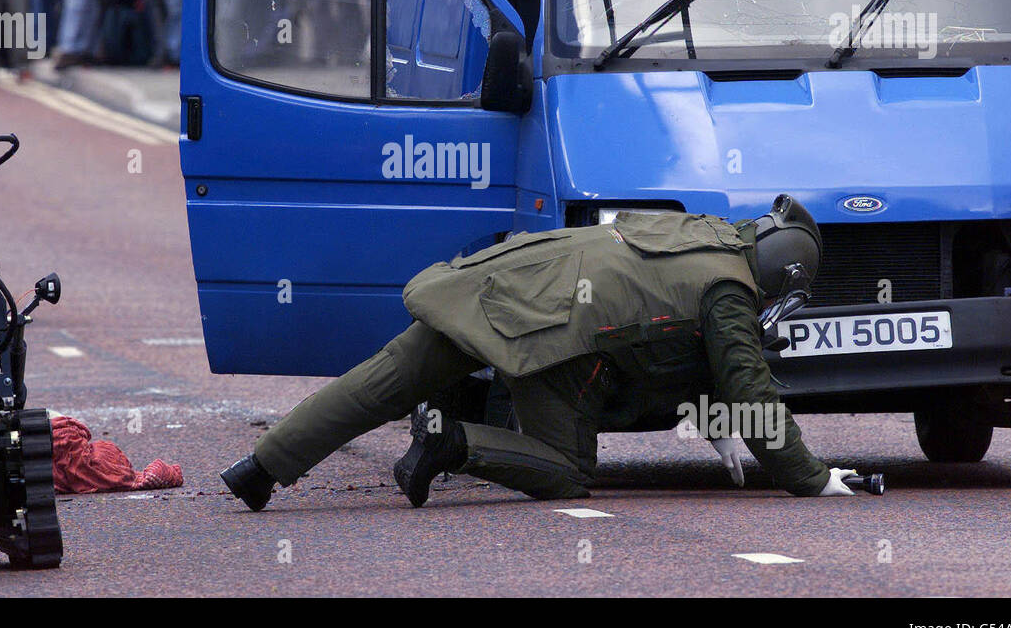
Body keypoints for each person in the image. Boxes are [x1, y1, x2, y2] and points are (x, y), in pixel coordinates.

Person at [222, 196, 864, 510]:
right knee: (565, 469)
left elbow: (674, 338)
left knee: (381, 379)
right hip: (545, 331)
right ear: (783, 275)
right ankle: (452, 443)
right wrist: (811, 479)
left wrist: (716, 420)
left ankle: (260, 466)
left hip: (502, 280)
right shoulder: (731, 292)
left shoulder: (704, 235)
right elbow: (750, 387)